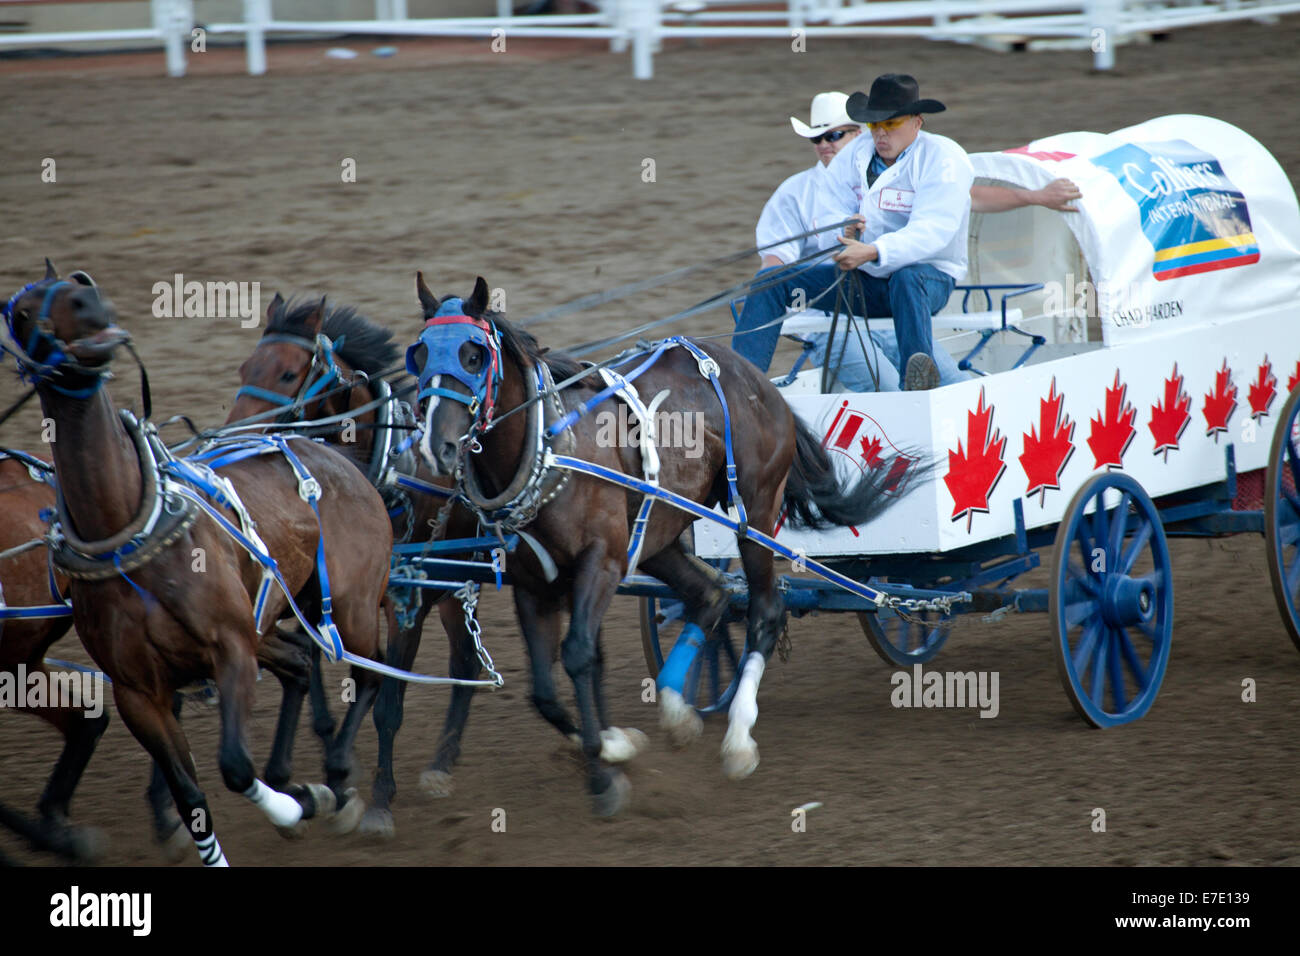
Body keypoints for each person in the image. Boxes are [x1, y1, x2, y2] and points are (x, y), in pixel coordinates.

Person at [739, 75, 1073, 390]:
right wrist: (843, 232)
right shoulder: (850, 158)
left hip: (928, 283)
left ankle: (918, 376)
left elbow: (934, 229)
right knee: (772, 281)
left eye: (891, 124)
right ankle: (740, 382)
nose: (881, 133)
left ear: (917, 121)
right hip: (863, 283)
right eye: (874, 125)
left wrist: (873, 251)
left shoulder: (943, 158)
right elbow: (829, 211)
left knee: (907, 277)